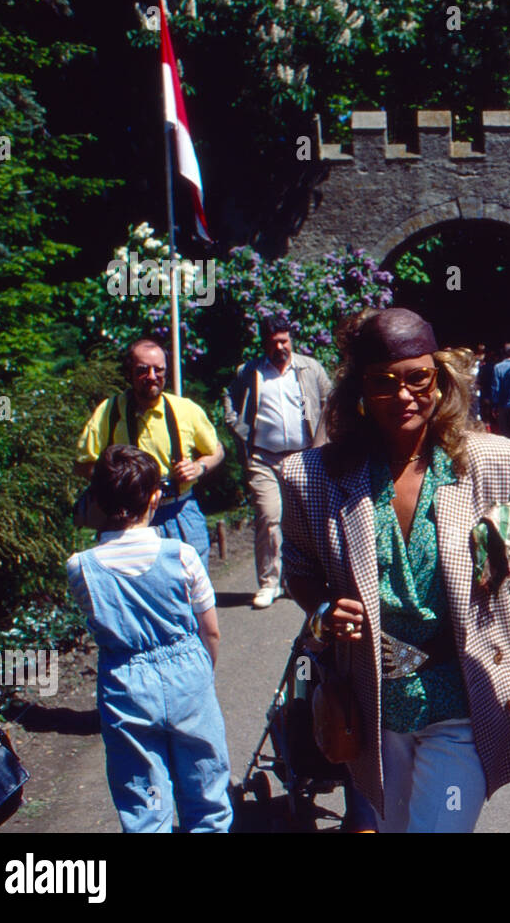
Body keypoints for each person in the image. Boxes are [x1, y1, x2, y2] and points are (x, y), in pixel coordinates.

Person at [279, 309, 510, 832]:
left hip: (462, 696)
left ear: (441, 378)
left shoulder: (493, 462)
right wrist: (325, 610)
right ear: (359, 388)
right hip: (372, 703)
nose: (404, 396)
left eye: (418, 377)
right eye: (383, 382)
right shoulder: (311, 477)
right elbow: (300, 569)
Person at [66, 445, 231, 833]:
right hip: (188, 672)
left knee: (144, 792)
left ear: (99, 501)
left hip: (125, 681)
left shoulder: (80, 568)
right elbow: (211, 630)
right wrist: (202, 675)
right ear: (156, 496)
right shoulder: (182, 555)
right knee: (204, 783)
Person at [76, 338, 224, 568]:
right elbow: (84, 464)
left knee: (191, 589)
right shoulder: (109, 411)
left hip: (180, 511)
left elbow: (216, 451)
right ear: (130, 373)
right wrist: (116, 482)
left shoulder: (185, 409)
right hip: (127, 520)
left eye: (159, 369)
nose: (152, 376)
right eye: (143, 370)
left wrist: (198, 467)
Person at [223, 315, 333, 608]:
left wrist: (321, 443)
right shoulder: (250, 372)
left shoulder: (310, 368)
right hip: (264, 457)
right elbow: (229, 401)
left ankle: (310, 579)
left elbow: (330, 403)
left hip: (305, 456)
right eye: (274, 343)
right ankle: (269, 583)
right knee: (269, 516)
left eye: (284, 340)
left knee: (311, 519)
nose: (280, 347)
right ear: (264, 344)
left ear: (291, 339)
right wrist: (240, 430)